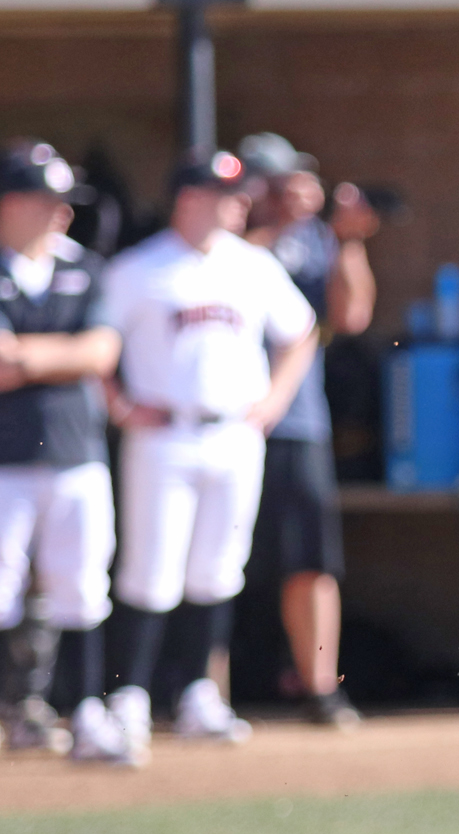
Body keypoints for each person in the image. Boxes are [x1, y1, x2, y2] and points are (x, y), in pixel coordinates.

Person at [98, 150, 318, 753]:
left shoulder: (253, 265)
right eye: (226, 195)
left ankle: (197, 693)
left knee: (219, 566)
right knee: (151, 569)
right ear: (188, 199)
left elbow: (301, 332)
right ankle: (130, 696)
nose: (240, 204)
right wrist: (117, 405)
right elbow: (96, 345)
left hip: (234, 433)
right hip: (162, 431)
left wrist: (273, 401)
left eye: (241, 195)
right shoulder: (138, 269)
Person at [238, 131, 376, 728]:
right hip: (222, 423)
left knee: (311, 561)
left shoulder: (316, 240)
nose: (291, 193)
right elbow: (230, 259)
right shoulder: (221, 242)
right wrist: (274, 222)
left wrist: (346, 240)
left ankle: (322, 688)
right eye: (277, 184)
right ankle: (201, 691)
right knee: (211, 563)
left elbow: (352, 316)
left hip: (299, 423)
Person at [0, 142, 125, 763]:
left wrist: (28, 356)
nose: (60, 215)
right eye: (46, 202)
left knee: (80, 589)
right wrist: (61, 354)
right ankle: (15, 713)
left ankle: (85, 712)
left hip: (76, 454)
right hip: (5, 460)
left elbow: (102, 353)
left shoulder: (85, 268)